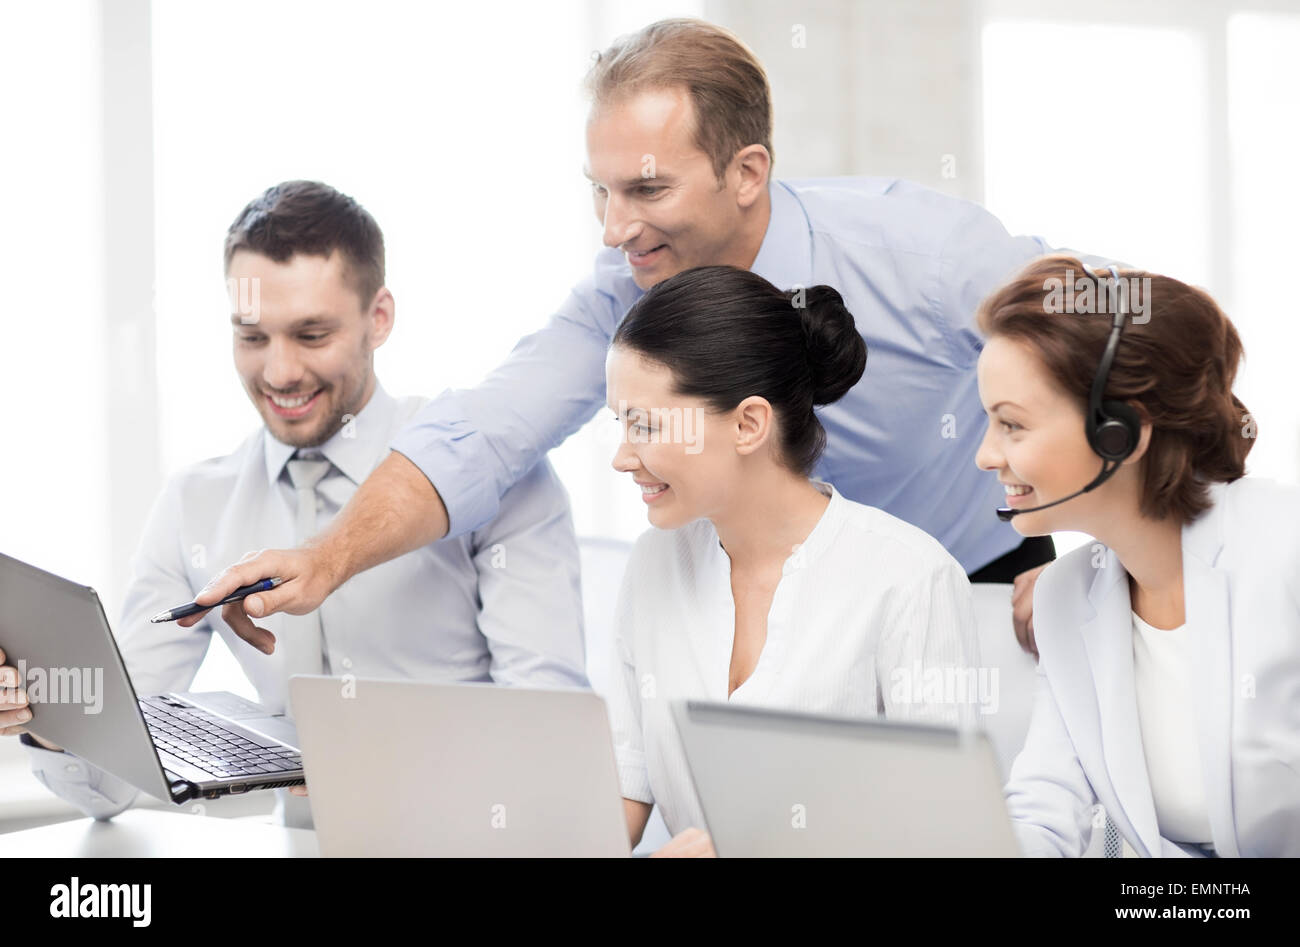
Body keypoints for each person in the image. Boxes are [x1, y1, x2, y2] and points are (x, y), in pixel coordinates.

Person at [190, 18, 1082, 656]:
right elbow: (483, 434)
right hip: (767, 614)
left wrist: (1097, 565)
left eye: (647, 191)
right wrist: (327, 558)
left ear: (746, 172)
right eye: (601, 190)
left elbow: (1122, 343)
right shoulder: (622, 290)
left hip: (979, 585)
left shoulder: (918, 252)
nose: (615, 228)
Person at [0, 181, 587, 827]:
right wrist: (53, 718)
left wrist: (384, 770)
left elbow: (551, 738)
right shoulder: (196, 504)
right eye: (253, 338)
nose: (279, 372)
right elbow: (109, 781)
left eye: (311, 334)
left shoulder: (487, 470)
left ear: (379, 317)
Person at [603, 265, 982, 856]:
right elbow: (625, 782)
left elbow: (945, 834)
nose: (622, 458)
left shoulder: (909, 578)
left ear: (749, 423)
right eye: (619, 425)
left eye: (645, 426)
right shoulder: (656, 561)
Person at [974, 255, 1300, 857]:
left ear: (1120, 430)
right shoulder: (1068, 595)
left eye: (1011, 426)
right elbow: (1045, 807)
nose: (986, 456)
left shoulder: (1283, 549)